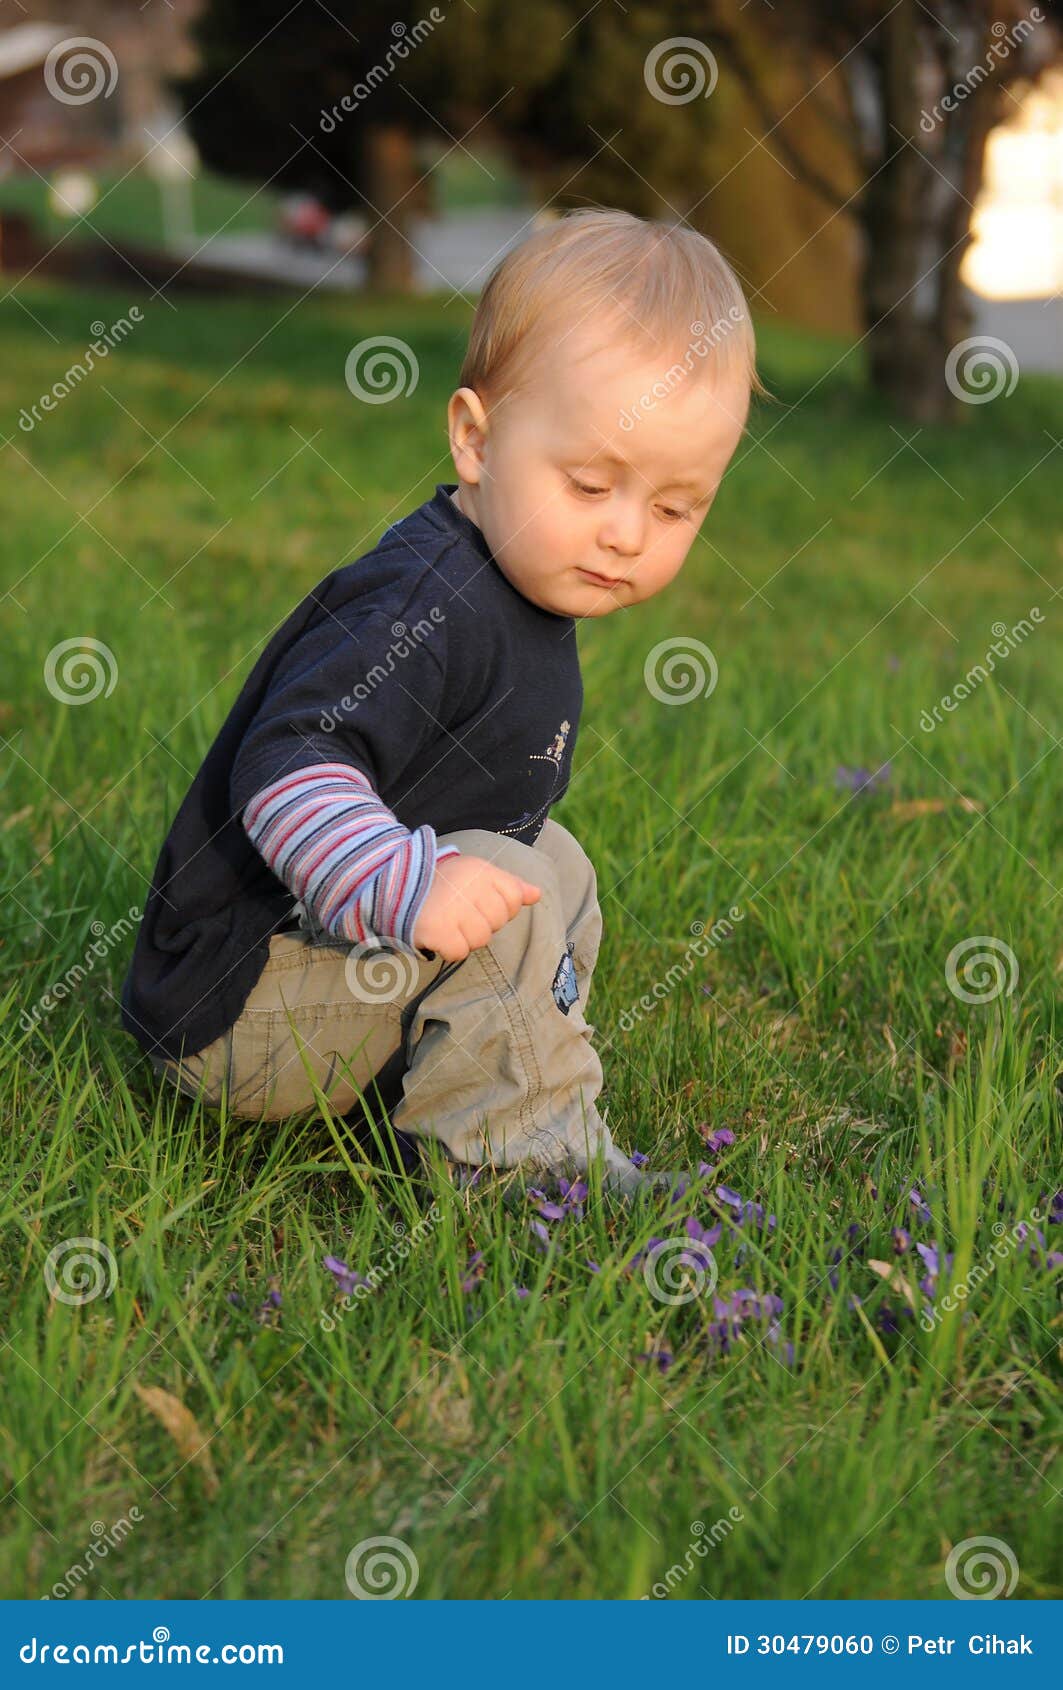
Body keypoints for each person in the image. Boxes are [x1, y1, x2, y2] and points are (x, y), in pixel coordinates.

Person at [119, 207, 761, 1195]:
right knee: (499, 880)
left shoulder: (522, 578)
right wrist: (400, 879)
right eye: (590, 485)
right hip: (236, 1006)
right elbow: (285, 767)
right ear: (475, 438)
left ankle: (490, 1084)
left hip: (327, 972)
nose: (628, 533)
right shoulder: (425, 605)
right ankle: (517, 1165)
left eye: (675, 507)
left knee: (551, 866)